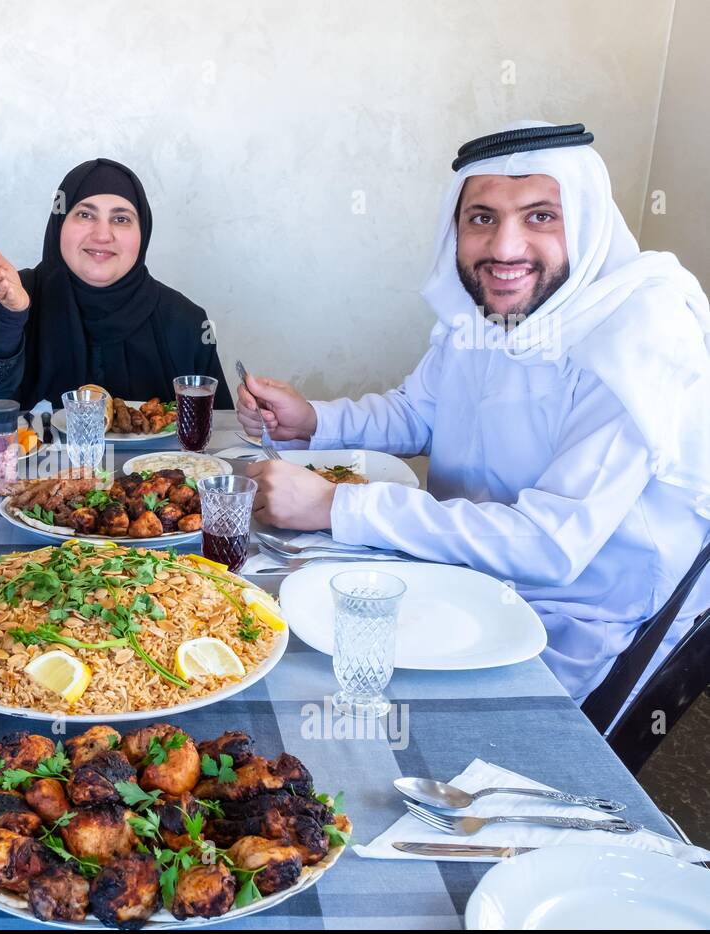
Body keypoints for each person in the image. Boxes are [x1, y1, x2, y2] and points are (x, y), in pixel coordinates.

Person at [240, 122, 710, 713]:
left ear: (587, 222)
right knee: (272, 642)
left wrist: (334, 505)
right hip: (461, 578)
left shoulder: (641, 331)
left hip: (579, 626)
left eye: (541, 216)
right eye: (482, 218)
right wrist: (313, 421)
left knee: (331, 707)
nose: (505, 249)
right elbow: (419, 411)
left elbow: (549, 546)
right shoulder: (489, 307)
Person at [0, 157, 233, 411]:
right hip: (35, 478)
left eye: (121, 219)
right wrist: (7, 319)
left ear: (143, 234)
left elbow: (218, 435)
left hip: (155, 479)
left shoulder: (185, 320)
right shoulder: (21, 293)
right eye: (85, 215)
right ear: (59, 224)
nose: (102, 235)